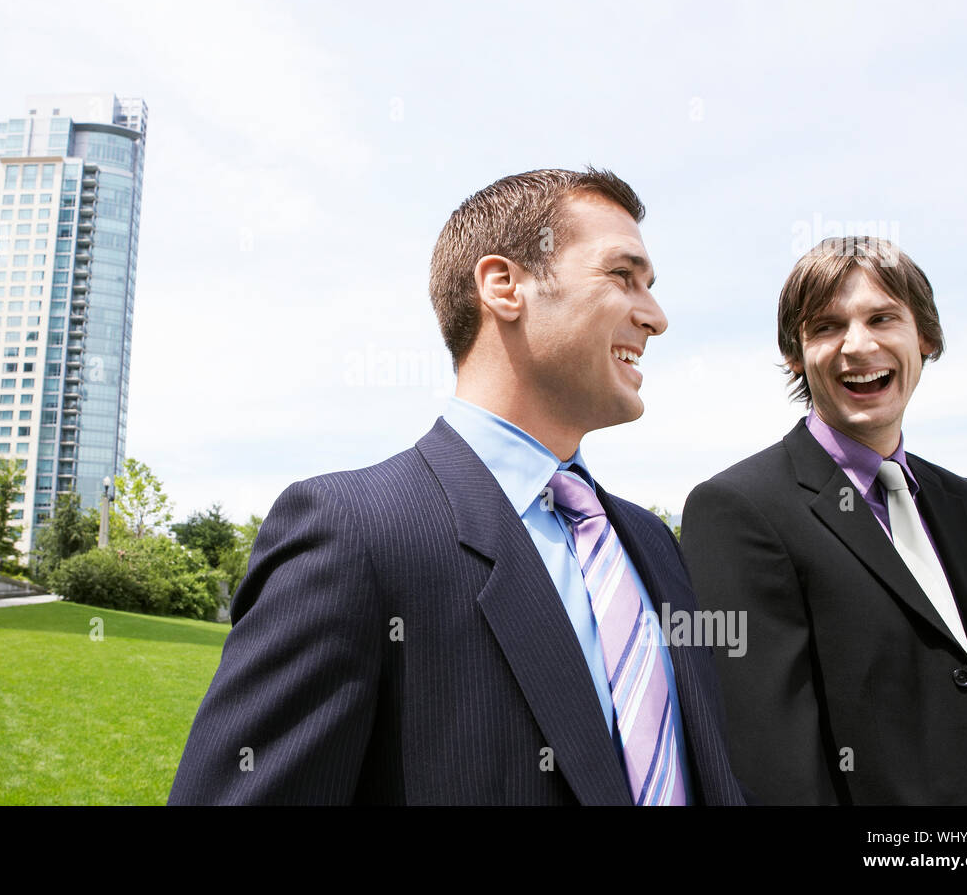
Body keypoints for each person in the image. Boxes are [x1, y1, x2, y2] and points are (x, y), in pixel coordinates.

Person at [168, 168, 747, 805]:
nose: (656, 317)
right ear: (504, 286)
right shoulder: (352, 533)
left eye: (652, 287)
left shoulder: (651, 542)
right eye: (622, 275)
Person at [680, 236, 967, 805]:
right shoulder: (738, 509)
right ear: (794, 354)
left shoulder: (966, 504)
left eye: (882, 318)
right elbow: (774, 764)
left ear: (924, 337)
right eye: (826, 327)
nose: (857, 345)